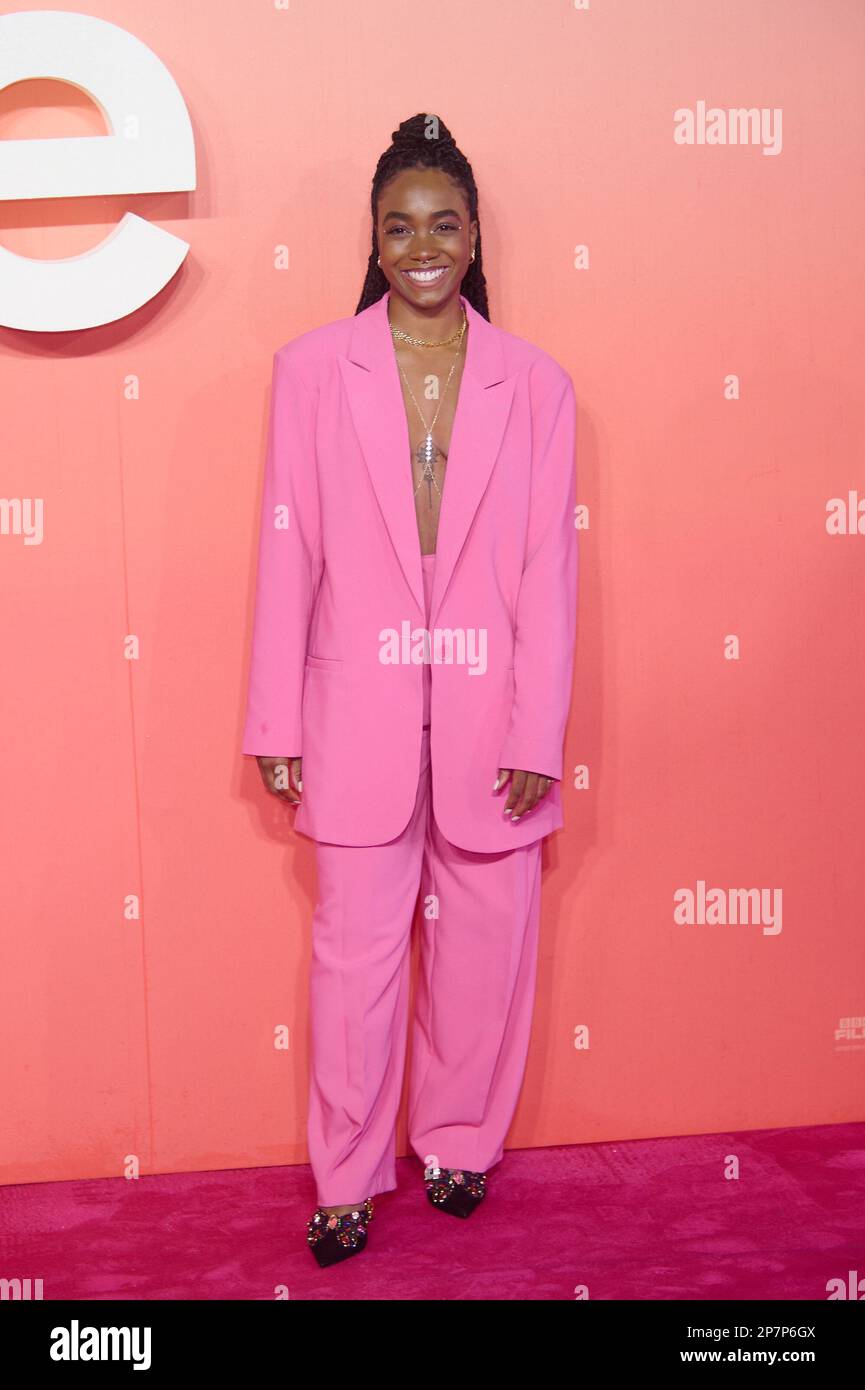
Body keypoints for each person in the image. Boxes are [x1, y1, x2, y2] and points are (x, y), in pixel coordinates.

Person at [241, 113, 578, 1267]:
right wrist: (274, 716)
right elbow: (288, 552)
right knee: (354, 960)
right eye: (399, 225)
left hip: (493, 717)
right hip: (354, 714)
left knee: (485, 949)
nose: (422, 243)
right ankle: (344, 1175)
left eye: (443, 223)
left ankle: (456, 1145)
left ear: (474, 233)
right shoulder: (308, 373)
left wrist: (540, 724)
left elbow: (548, 570)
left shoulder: (537, 386)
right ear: (374, 240)